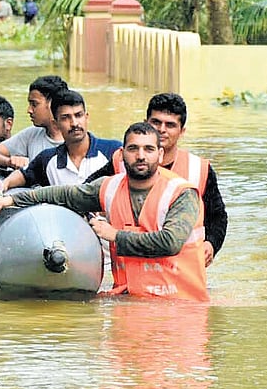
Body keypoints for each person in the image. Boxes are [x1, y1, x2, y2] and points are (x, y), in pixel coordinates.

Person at [0, 122, 209, 302]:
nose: (141, 156)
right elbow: (64, 195)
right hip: (129, 301)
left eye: (148, 149)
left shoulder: (181, 193)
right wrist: (13, 198)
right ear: (121, 155)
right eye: (133, 149)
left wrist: (115, 236)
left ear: (160, 155)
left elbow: (170, 242)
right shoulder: (109, 187)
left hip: (181, 304)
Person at [85, 93, 228, 266]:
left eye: (170, 125)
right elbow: (87, 194)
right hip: (131, 271)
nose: (162, 129)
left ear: (182, 131)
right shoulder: (121, 161)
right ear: (146, 123)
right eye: (156, 122)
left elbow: (217, 216)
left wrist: (211, 243)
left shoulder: (199, 169)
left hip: (181, 273)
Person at [2, 88, 121, 191]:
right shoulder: (47, 160)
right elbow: (23, 175)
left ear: (86, 117)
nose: (74, 123)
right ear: (56, 124)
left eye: (78, 115)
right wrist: (3, 185)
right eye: (66, 118)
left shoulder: (113, 151)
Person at [0, 75, 67, 171]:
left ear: (52, 104)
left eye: (34, 104)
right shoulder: (31, 135)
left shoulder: (77, 140)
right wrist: (9, 161)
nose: (29, 110)